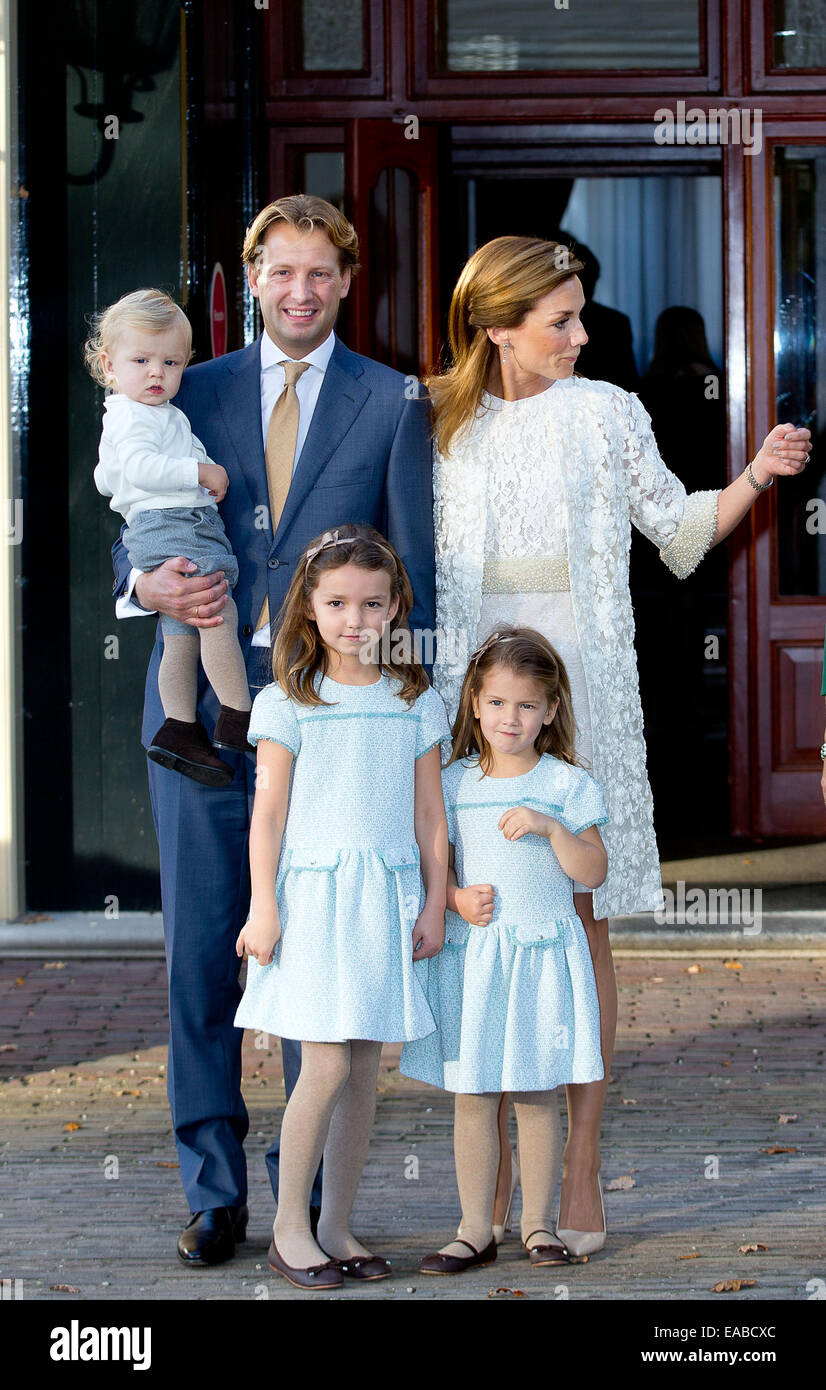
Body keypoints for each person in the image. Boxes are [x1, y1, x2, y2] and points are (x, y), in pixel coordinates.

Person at [428, 234, 811, 1259]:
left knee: (576, 917)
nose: (581, 334)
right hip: (468, 704)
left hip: (583, 698)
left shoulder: (607, 413)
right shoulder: (432, 418)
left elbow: (679, 532)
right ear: (494, 325)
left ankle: (580, 1161)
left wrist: (757, 476)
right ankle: (491, 1179)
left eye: (579, 314)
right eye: (559, 320)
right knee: (479, 922)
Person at [107, 195, 436, 1266]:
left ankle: (305, 1202)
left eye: (321, 275)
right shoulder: (178, 386)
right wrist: (144, 583)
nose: (300, 292)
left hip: (335, 737)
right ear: (252, 278)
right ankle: (214, 1191)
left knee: (325, 962)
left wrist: (397, 722)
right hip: (201, 722)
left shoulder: (390, 400)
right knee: (201, 958)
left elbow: (411, 579)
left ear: (348, 282)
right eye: (280, 272)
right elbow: (131, 526)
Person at [234, 524, 450, 1289]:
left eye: (372, 603)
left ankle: (336, 1223)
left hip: (385, 901)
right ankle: (289, 1227)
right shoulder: (288, 702)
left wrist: (434, 901)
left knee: (363, 1067)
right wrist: (263, 907)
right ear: (309, 611)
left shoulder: (413, 702)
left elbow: (431, 814)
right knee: (321, 1064)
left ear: (395, 610)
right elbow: (267, 815)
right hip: (316, 901)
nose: (355, 619)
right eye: (337, 603)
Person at [402, 627, 608, 1274]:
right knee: (473, 1093)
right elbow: (429, 862)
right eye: (495, 703)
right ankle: (473, 1227)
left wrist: (551, 827)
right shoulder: (454, 781)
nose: (509, 718)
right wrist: (457, 900)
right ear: (473, 703)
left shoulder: (566, 784)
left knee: (534, 1091)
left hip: (542, 959)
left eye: (524, 705)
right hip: (479, 960)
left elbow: (594, 871)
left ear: (549, 710)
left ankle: (539, 1225)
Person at [89, 289, 252, 786]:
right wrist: (199, 471)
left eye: (171, 361)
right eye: (141, 360)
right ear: (109, 365)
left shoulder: (150, 413)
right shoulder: (133, 414)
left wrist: (125, 484)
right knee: (214, 610)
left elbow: (107, 477)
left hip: (166, 521)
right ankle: (239, 715)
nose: (157, 372)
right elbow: (139, 466)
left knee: (181, 633)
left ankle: (178, 727)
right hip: (174, 523)